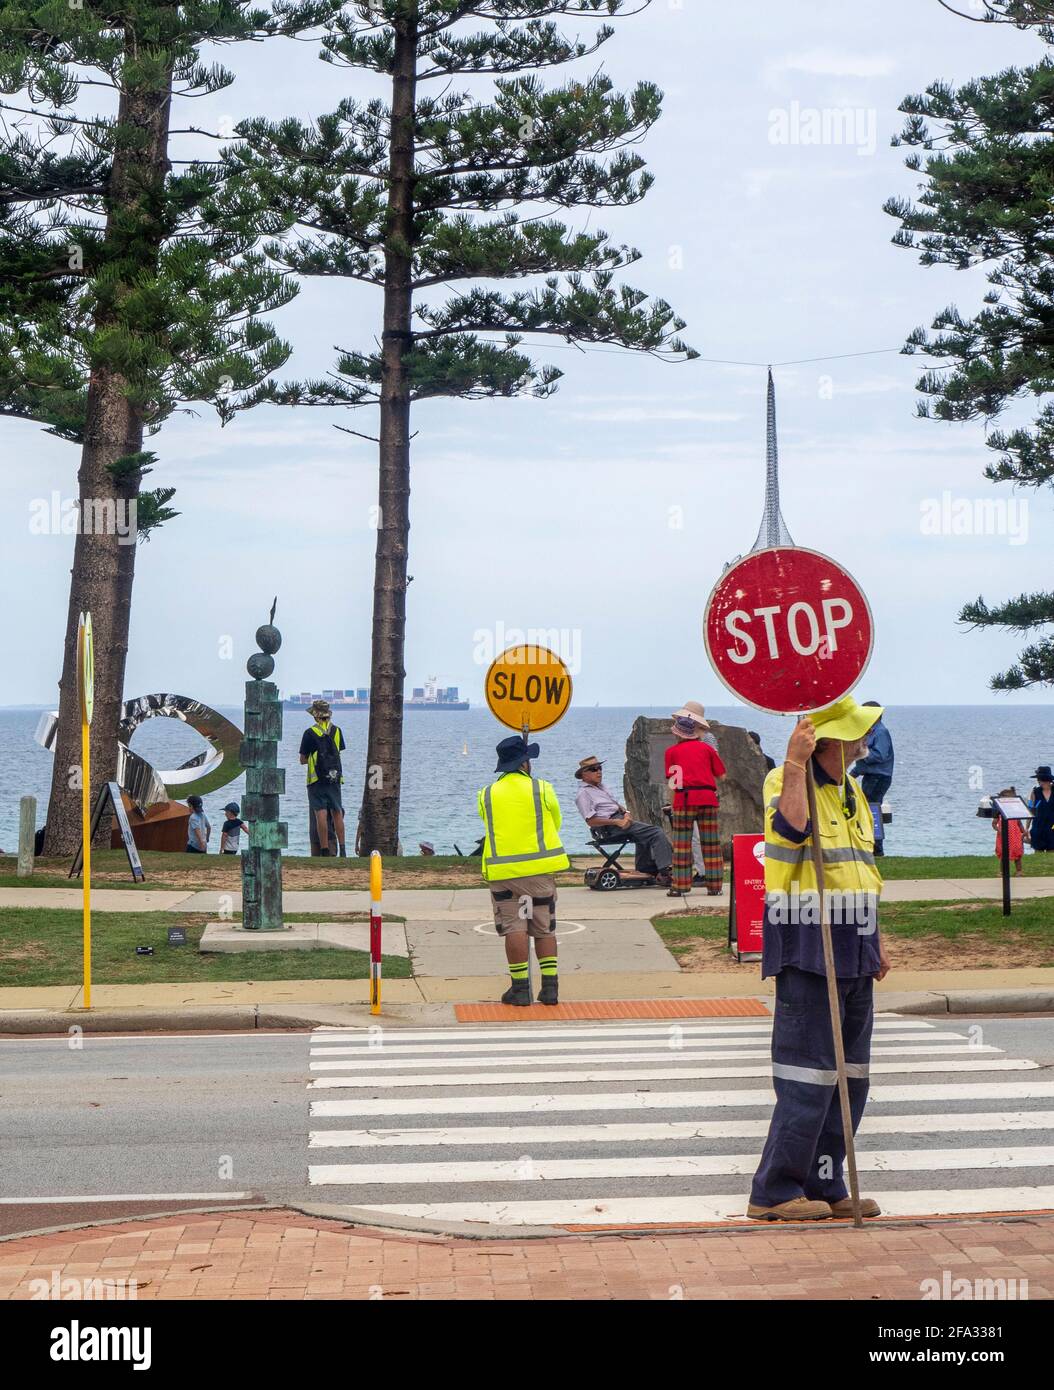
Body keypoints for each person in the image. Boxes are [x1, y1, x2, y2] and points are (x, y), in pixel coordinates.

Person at [747, 696, 891, 1223]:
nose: (864, 740)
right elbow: (790, 832)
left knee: (850, 1076)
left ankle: (826, 1183)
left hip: (854, 941)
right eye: (856, 733)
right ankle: (773, 1191)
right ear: (830, 741)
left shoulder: (851, 789)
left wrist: (875, 939)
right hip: (809, 941)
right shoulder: (788, 781)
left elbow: (862, 868)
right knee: (807, 1074)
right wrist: (793, 762)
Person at [478, 735, 570, 1006]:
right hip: (540, 870)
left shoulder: (486, 794)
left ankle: (520, 989)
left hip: (504, 873)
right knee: (543, 928)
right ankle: (550, 988)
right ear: (525, 763)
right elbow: (556, 821)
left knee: (514, 927)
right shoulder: (542, 789)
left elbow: (489, 825)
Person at [574, 755, 673, 885]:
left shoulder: (601, 787)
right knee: (656, 832)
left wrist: (626, 814)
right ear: (583, 775)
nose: (599, 771)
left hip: (619, 819)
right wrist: (617, 822)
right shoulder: (583, 794)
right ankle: (665, 871)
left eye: (600, 768)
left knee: (645, 834)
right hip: (608, 827)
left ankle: (647, 870)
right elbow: (591, 821)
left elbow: (618, 807)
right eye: (593, 769)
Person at [664, 702, 725, 896]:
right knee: (712, 844)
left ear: (678, 733)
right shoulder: (707, 749)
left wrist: (672, 804)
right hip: (707, 799)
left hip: (684, 800)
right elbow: (722, 775)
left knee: (682, 845)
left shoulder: (671, 753)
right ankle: (715, 887)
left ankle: (680, 887)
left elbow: (674, 782)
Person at [299, 698, 347, 856]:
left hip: (316, 780)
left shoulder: (310, 733)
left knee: (320, 812)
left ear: (315, 716)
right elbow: (338, 751)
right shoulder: (337, 731)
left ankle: (325, 849)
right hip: (335, 778)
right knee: (337, 812)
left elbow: (302, 759)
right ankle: (343, 849)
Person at [850, 701, 894, 856]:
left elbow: (879, 755)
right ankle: (873, 847)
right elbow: (865, 762)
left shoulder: (880, 732)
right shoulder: (871, 731)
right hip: (872, 776)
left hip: (878, 777)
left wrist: (859, 753)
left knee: (872, 810)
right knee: (870, 809)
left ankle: (877, 849)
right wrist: (852, 774)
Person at [994, 788, 1025, 875]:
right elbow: (994, 823)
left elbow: (1019, 823)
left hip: (1015, 835)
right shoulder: (999, 812)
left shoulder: (1015, 811)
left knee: (1017, 853)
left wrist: (1024, 832)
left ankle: (1019, 870)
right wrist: (998, 829)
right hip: (1003, 835)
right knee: (1003, 854)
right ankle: (1002, 871)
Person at [1029, 766, 1054, 853]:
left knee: (1052, 853)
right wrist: (1026, 828)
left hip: (1052, 826)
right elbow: (1030, 811)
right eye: (1038, 779)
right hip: (1038, 827)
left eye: (1041, 779)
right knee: (1038, 852)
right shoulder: (1035, 792)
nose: (1039, 781)